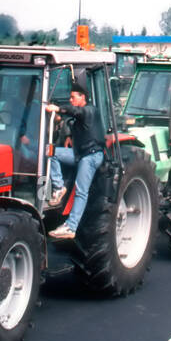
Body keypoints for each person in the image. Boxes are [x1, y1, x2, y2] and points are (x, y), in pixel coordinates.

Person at [45, 83, 111, 239]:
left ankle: (71, 226)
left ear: (83, 97)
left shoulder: (90, 110)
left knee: (81, 191)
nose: (70, 99)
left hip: (90, 156)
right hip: (79, 155)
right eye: (70, 97)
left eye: (73, 97)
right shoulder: (81, 116)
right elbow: (76, 123)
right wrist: (69, 136)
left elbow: (76, 112)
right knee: (50, 151)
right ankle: (59, 187)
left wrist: (58, 108)